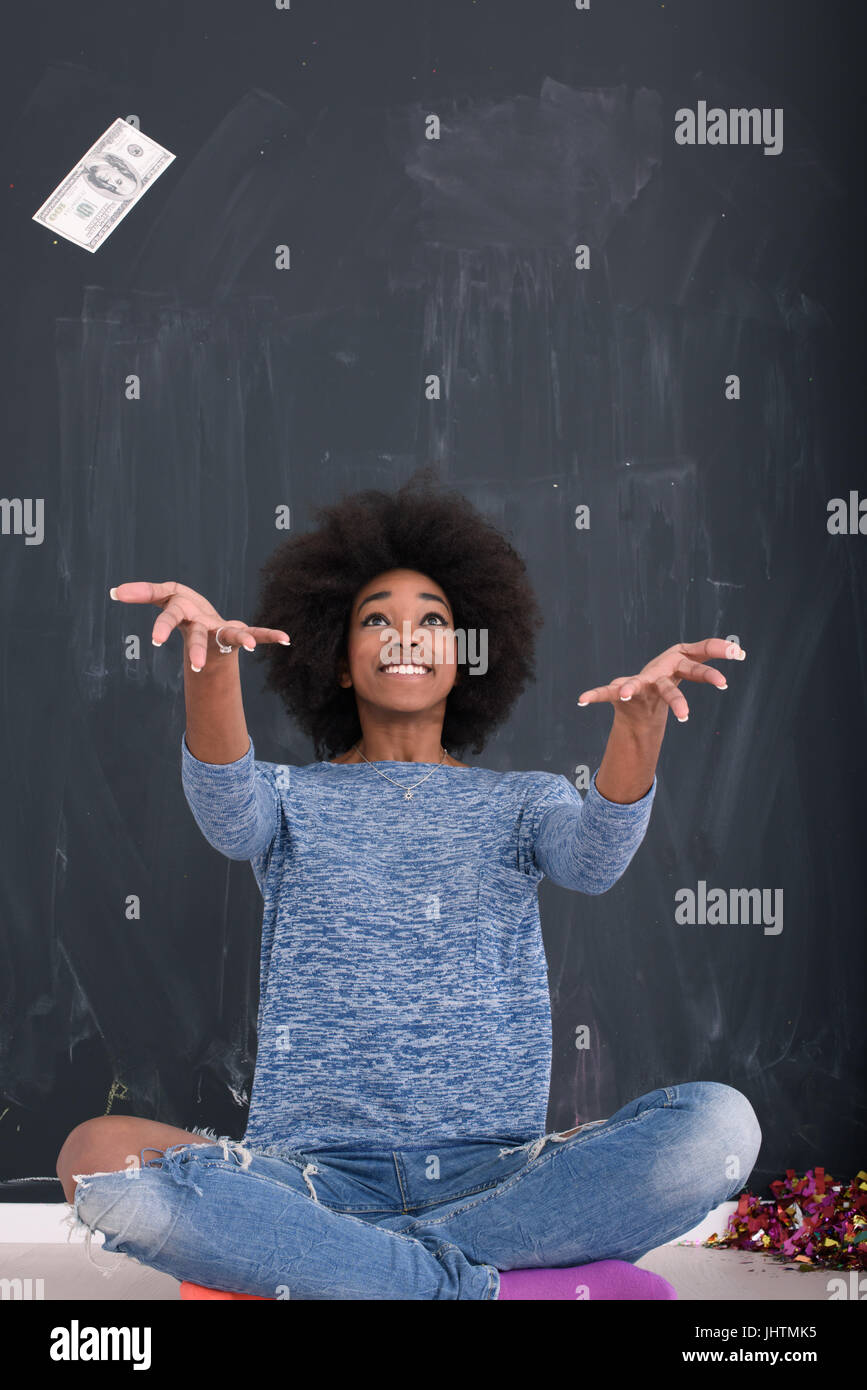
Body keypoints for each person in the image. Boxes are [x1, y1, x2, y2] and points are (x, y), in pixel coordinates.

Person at [57, 471, 760, 1300]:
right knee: (93, 1159)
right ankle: (465, 1287)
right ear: (340, 662)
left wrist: (638, 730)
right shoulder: (290, 800)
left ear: (464, 659)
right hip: (309, 1181)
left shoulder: (522, 801)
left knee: (718, 1126)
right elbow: (224, 809)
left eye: (433, 621)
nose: (406, 634)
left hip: (497, 1179)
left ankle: (364, 1271)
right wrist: (209, 668)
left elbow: (594, 861)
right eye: (375, 619)